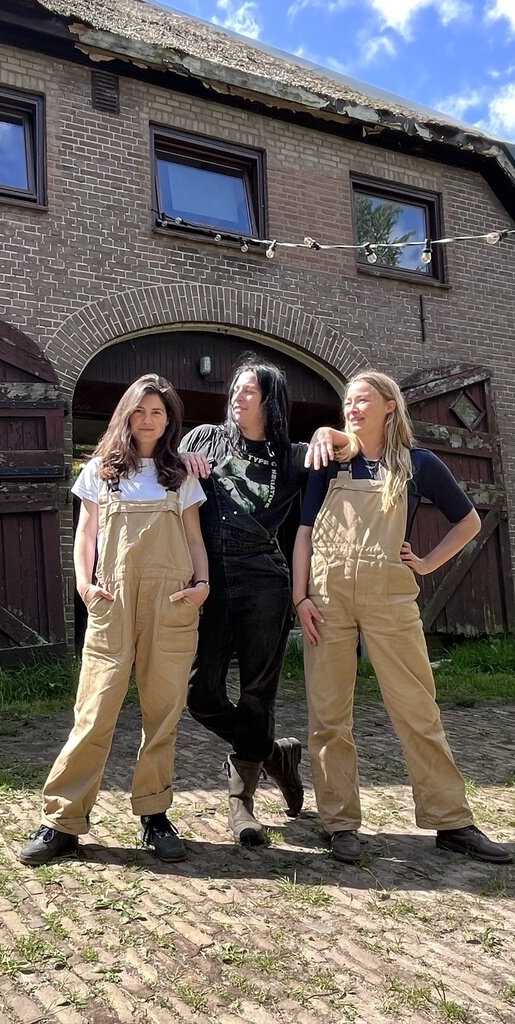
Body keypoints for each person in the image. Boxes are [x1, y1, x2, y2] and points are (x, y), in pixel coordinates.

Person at [291, 371, 512, 866]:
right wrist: (299, 596)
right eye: (348, 401)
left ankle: (451, 821)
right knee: (328, 716)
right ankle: (340, 823)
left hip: (390, 597)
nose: (353, 407)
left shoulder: (420, 464)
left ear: (390, 406)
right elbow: (304, 531)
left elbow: (470, 521)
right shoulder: (328, 462)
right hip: (327, 599)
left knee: (417, 709)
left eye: (363, 399)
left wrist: (429, 562)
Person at [18, 374, 212, 866]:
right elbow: (85, 534)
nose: (148, 420)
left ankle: (154, 814)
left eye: (158, 413)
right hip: (112, 600)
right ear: (126, 414)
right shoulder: (100, 471)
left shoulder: (179, 475)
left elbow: (193, 538)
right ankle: (62, 820)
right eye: (141, 410)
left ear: (169, 422)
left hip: (171, 603)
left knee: (163, 712)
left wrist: (202, 585)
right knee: (95, 709)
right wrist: (84, 586)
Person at [180, 357, 342, 846]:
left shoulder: (294, 459)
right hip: (212, 578)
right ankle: (276, 753)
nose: (237, 397)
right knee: (201, 696)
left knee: (257, 692)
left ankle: (241, 804)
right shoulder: (204, 438)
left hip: (264, 580)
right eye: (235, 389)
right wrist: (180, 462)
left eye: (248, 390)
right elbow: (167, 474)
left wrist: (328, 434)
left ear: (270, 401)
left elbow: (356, 449)